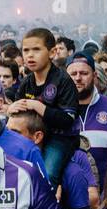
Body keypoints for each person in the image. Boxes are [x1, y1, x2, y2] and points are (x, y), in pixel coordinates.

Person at [6, 28, 78, 185]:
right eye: (26, 50)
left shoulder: (63, 80)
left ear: (52, 53)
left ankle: (46, 207)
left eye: (36, 49)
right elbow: (18, 114)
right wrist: (12, 110)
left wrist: (39, 107)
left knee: (48, 173)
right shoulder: (26, 82)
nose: (30, 55)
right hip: (29, 136)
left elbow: (67, 120)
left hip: (59, 138)